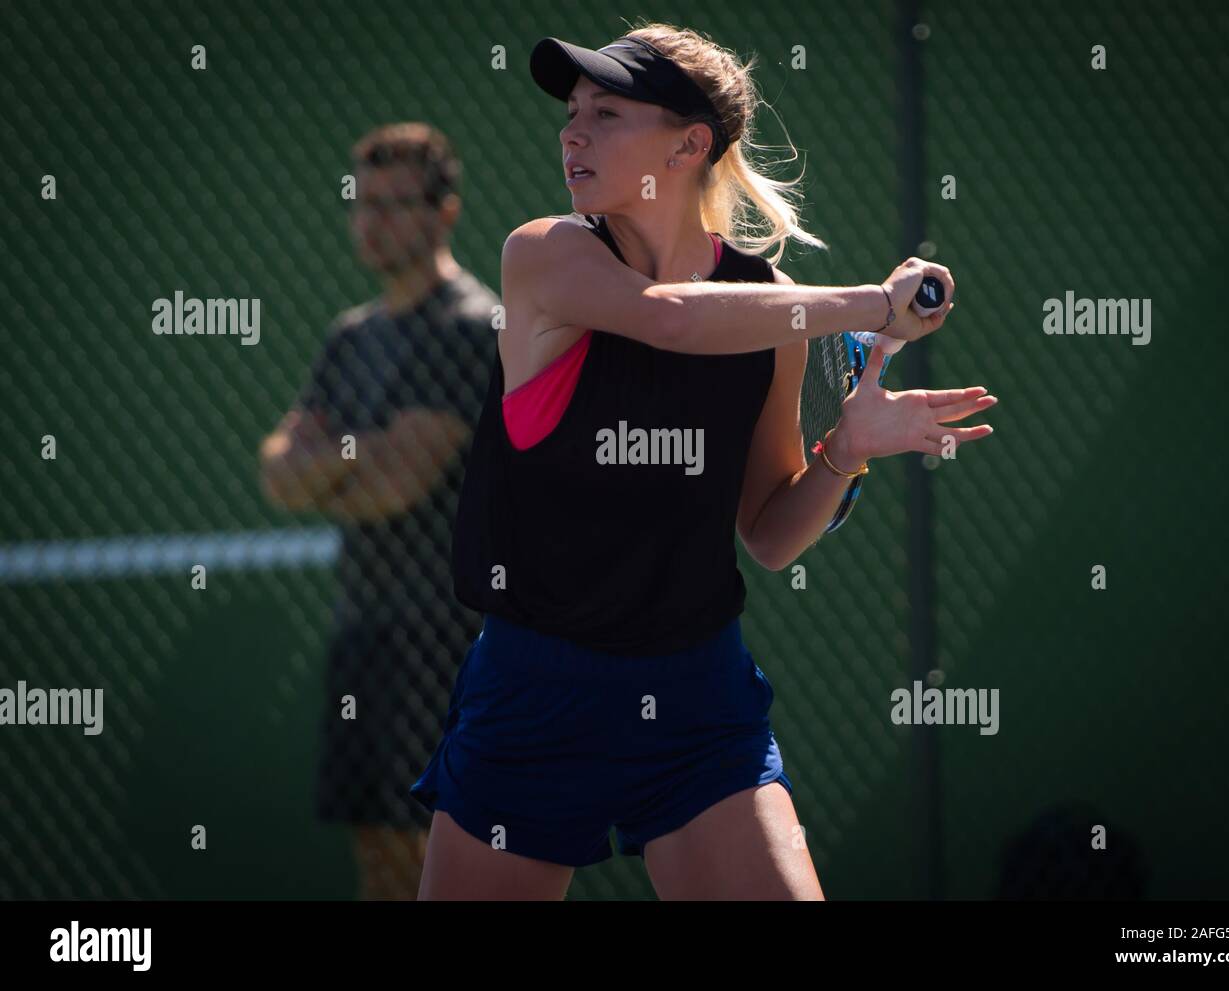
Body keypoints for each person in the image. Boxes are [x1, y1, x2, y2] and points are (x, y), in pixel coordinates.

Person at [411, 22, 996, 900]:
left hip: (697, 696)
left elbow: (768, 533)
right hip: (535, 692)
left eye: (606, 112)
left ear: (690, 144)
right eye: (572, 112)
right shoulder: (544, 255)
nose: (573, 131)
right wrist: (873, 305)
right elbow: (671, 318)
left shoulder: (770, 308)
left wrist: (847, 450)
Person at [259, 123, 499, 899]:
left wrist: (333, 458)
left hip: (452, 638)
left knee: (447, 859)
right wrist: (358, 453)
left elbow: (400, 480)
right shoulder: (349, 336)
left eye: (395, 204)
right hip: (366, 628)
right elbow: (278, 474)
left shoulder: (469, 325)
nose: (373, 221)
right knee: (379, 857)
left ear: (444, 213)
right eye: (363, 203)